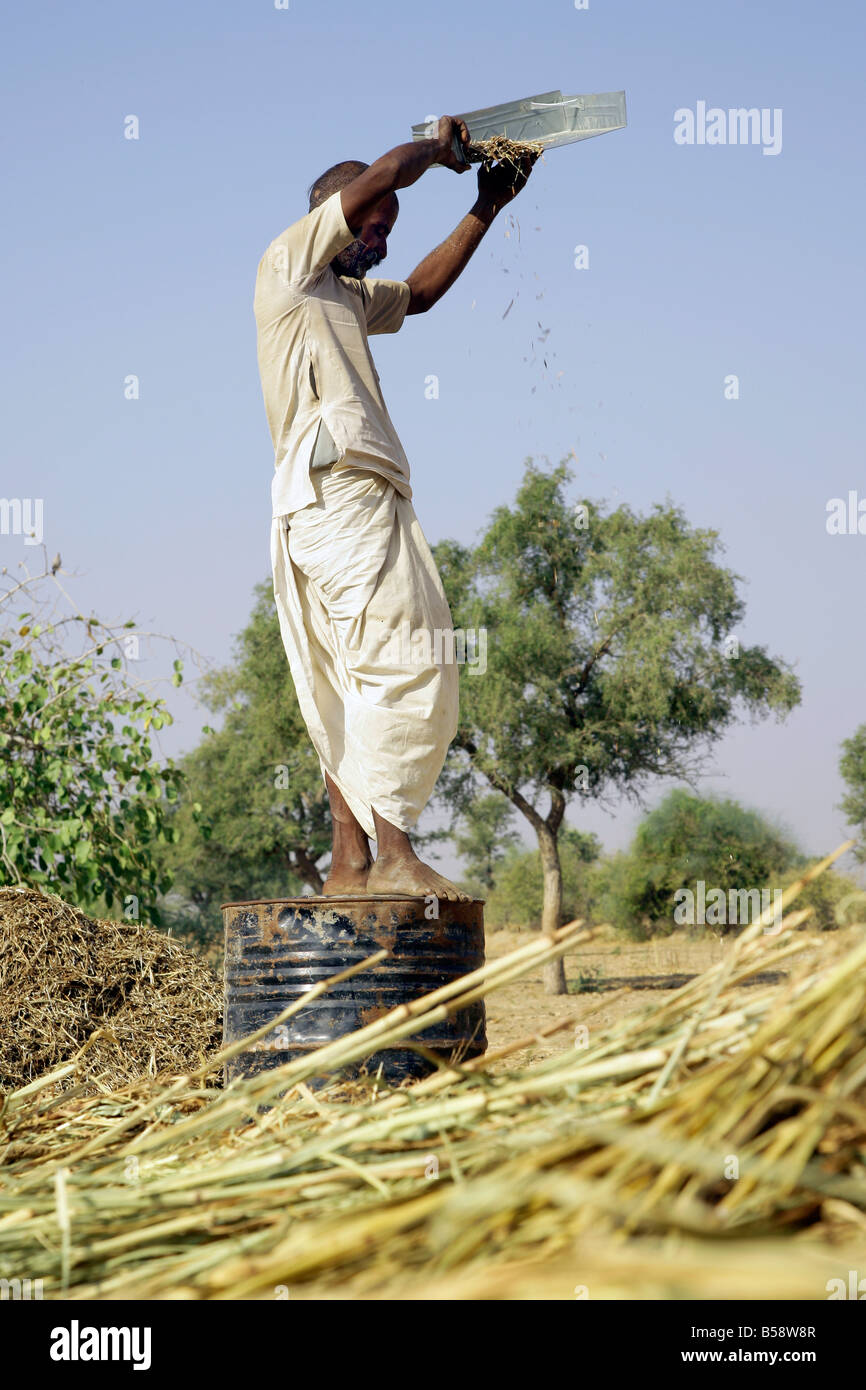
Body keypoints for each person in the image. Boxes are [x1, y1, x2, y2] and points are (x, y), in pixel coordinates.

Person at [255, 115, 536, 899]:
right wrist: (440, 150)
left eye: (387, 229)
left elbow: (420, 294)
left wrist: (487, 204)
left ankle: (350, 865)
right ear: (330, 214)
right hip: (341, 490)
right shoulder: (288, 266)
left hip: (327, 500)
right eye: (370, 223)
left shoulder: (341, 296)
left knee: (347, 676)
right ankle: (397, 856)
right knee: (403, 656)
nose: (379, 236)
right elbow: (381, 173)